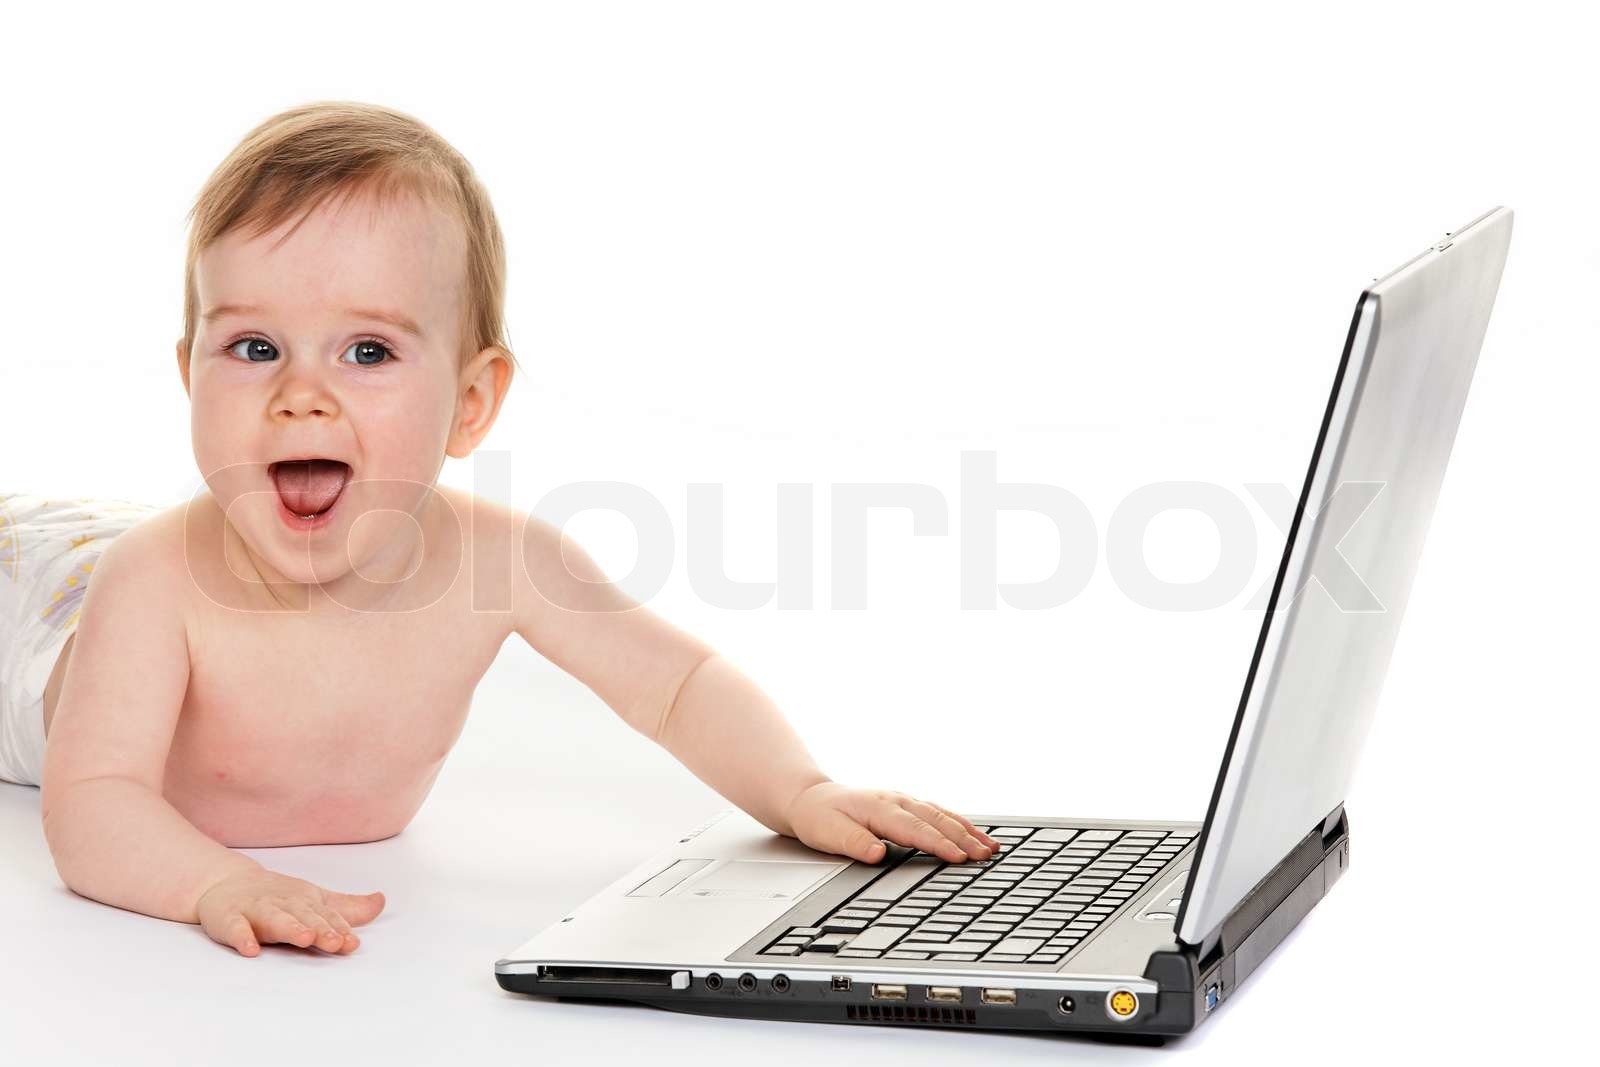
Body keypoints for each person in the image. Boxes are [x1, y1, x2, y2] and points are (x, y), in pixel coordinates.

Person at [7, 102, 999, 958]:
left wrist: (799, 788)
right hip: (44, 614)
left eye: (366, 349)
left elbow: (677, 684)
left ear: (472, 400)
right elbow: (92, 804)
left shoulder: (501, 559)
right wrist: (211, 883)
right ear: (191, 375)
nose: (299, 395)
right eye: (254, 346)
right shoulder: (159, 583)